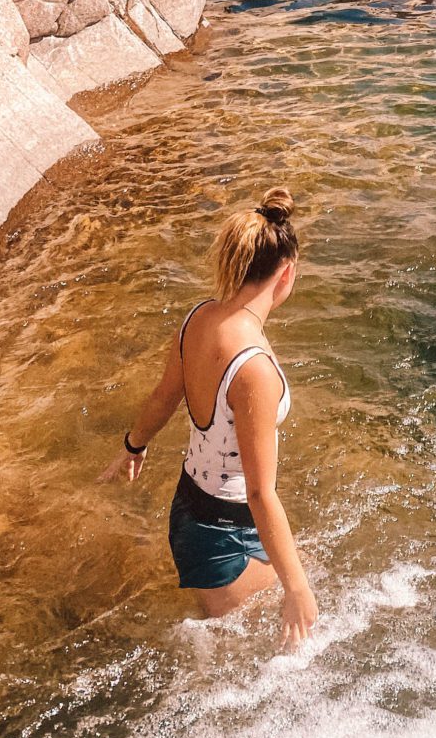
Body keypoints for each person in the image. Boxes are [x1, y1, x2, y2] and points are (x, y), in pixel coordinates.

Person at [101, 186, 319, 648]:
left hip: (190, 511)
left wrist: (133, 445)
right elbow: (261, 494)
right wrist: (297, 589)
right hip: (225, 538)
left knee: (248, 651)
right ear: (287, 273)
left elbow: (164, 397)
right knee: (255, 666)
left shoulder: (198, 318)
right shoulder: (255, 369)